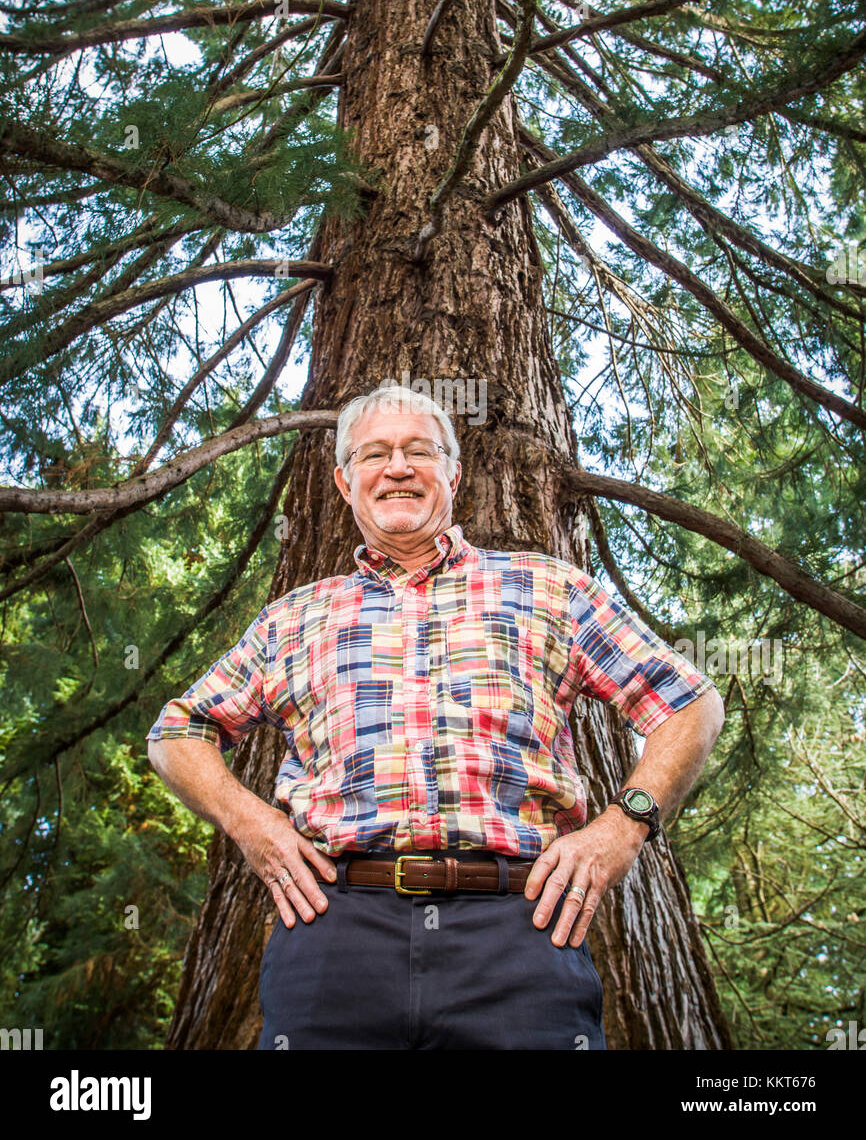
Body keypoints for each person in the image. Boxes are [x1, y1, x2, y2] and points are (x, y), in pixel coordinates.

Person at [147, 385, 724, 1050]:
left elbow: (689, 703)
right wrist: (249, 822)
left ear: (452, 473)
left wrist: (624, 828)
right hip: (333, 935)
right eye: (375, 454)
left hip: (521, 932)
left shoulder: (550, 589)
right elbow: (177, 731)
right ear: (344, 481)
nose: (397, 467)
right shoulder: (292, 617)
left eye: (419, 450)